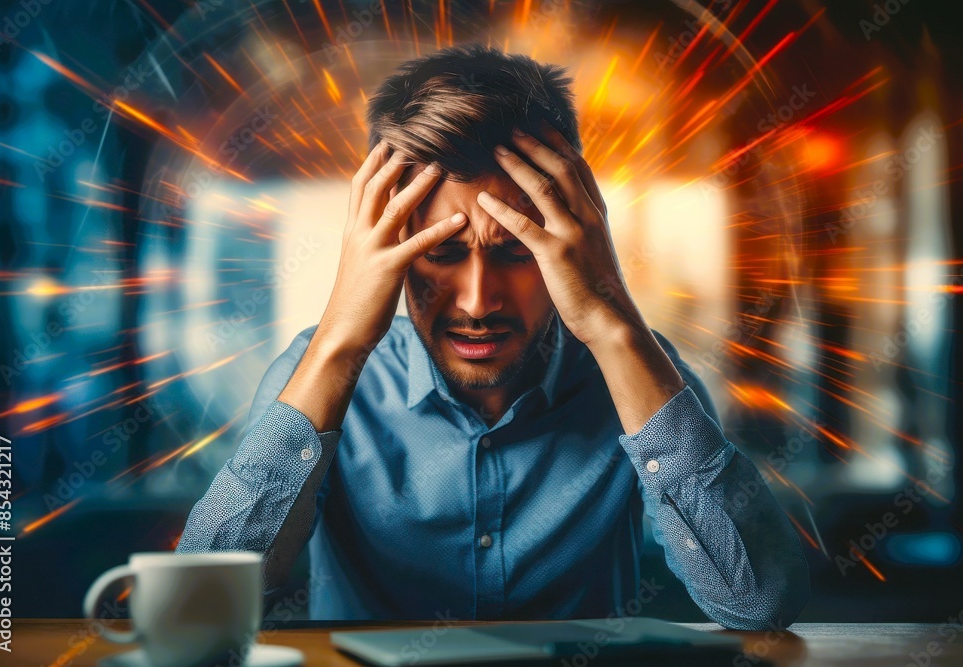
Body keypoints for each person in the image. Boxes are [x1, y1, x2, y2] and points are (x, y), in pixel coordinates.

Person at [176, 43, 809, 629]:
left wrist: (613, 324)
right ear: (390, 250)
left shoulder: (636, 370)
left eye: (519, 252)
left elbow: (758, 605)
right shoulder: (315, 371)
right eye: (442, 253)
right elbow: (199, 608)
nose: (479, 303)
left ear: (574, 243)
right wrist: (341, 339)